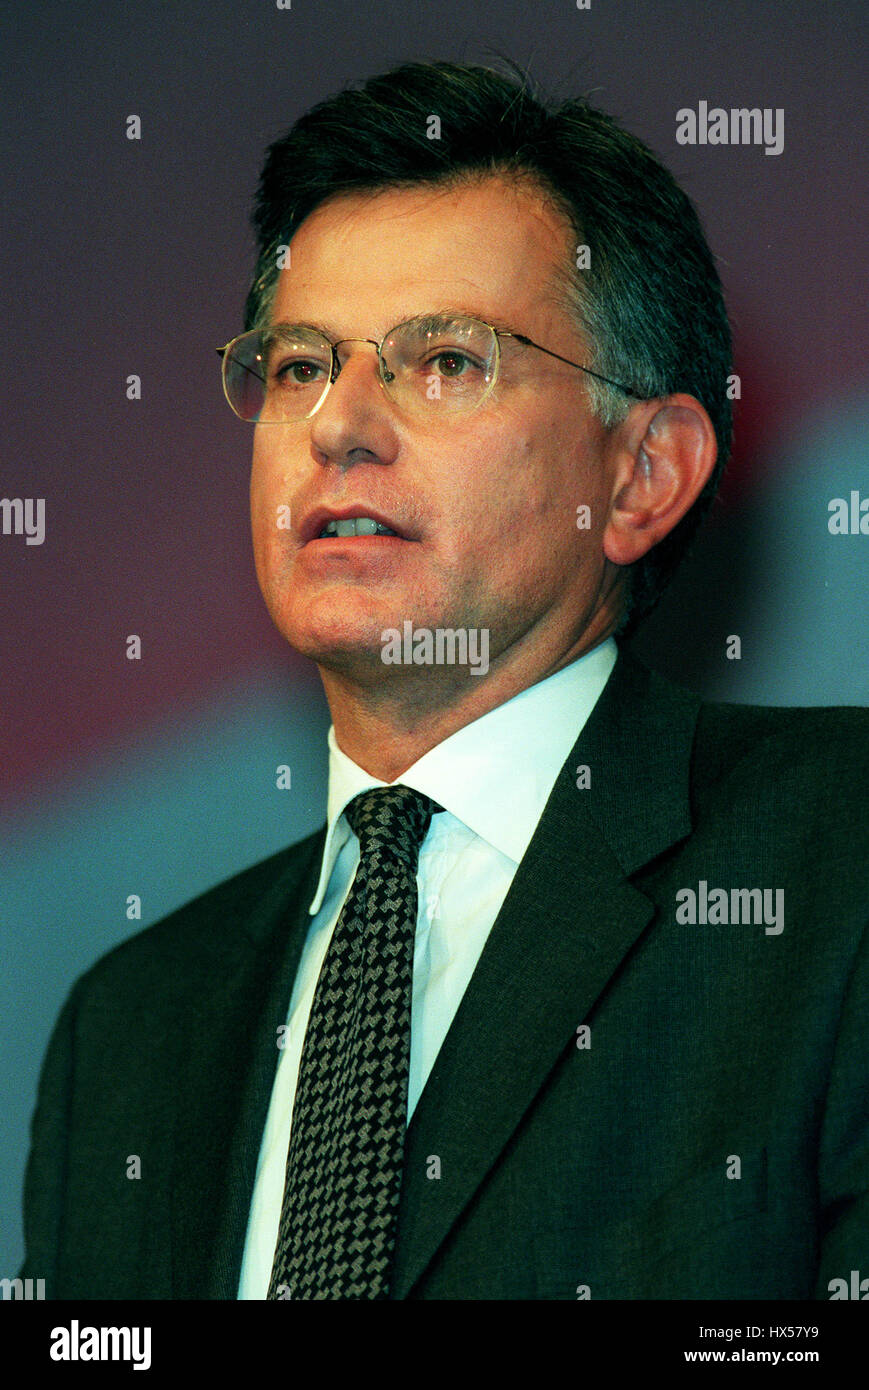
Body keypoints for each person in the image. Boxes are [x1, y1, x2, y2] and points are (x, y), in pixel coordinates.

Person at [20, 58, 867, 1301]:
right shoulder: (133, 1029)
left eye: (445, 361)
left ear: (641, 473)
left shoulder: (834, 855)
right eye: (300, 364)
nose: (335, 426)